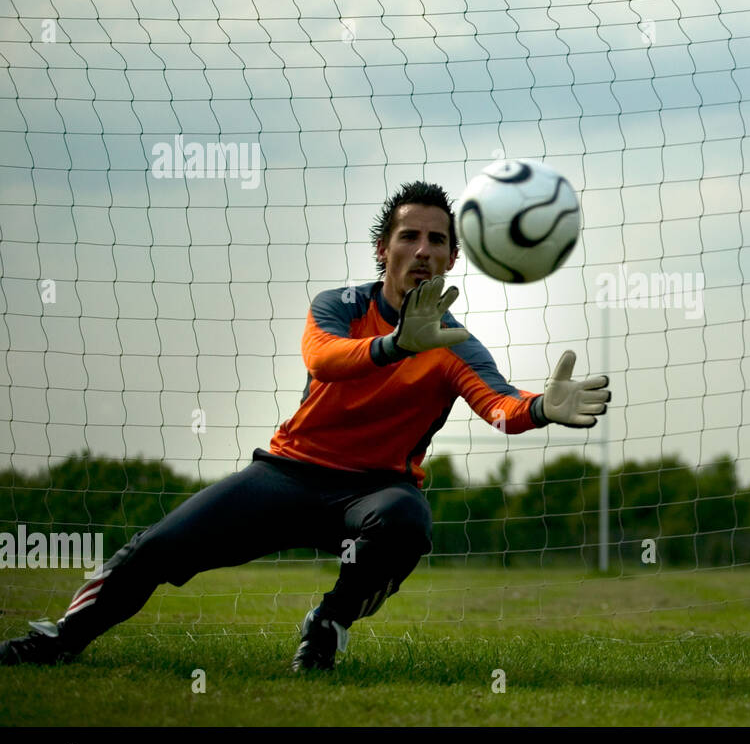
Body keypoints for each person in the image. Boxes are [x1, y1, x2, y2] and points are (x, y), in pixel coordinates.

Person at [0, 181, 611, 671]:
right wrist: (396, 345)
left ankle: (330, 624)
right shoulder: (340, 305)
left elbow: (499, 405)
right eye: (408, 236)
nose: (422, 249)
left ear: (453, 257)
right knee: (156, 549)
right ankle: (61, 638)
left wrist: (538, 407)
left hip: (371, 492)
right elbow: (324, 360)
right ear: (384, 250)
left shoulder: (456, 345)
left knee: (407, 521)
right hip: (287, 476)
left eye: (436, 240)